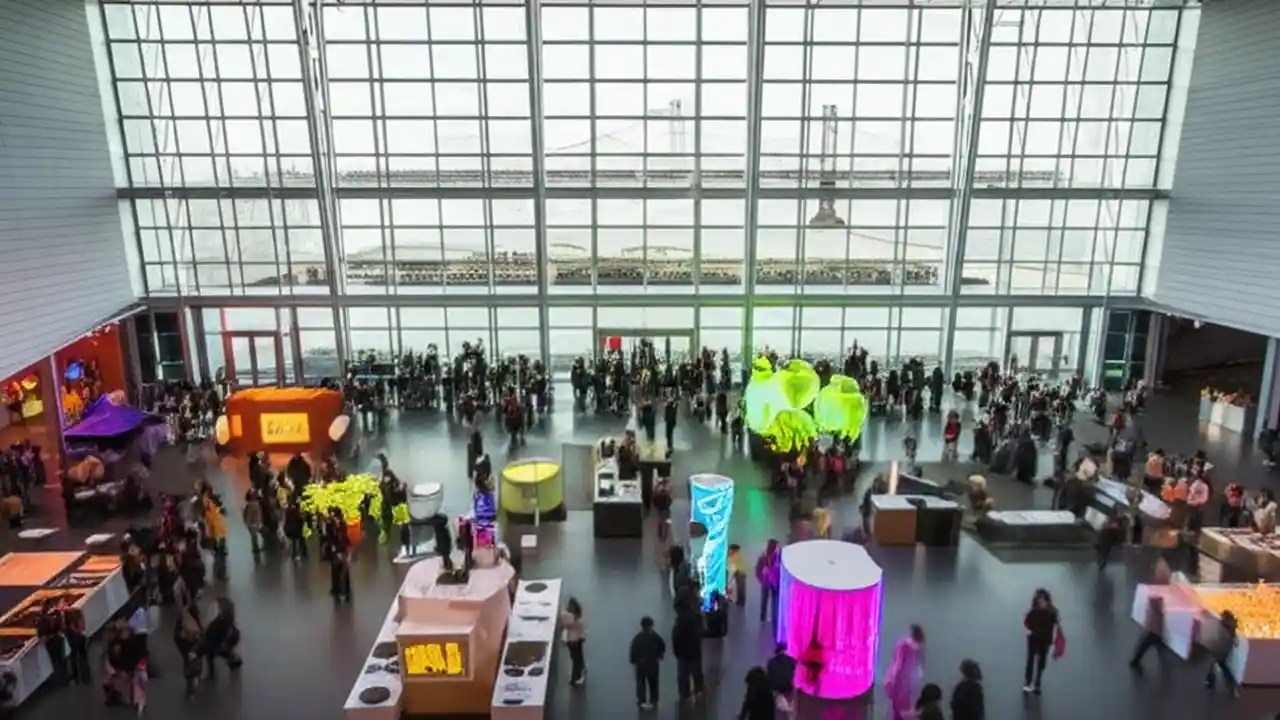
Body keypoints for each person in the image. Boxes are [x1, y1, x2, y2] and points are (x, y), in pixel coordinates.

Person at [1130, 559, 1172, 674]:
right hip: (1155, 622)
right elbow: (1156, 604)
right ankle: (1135, 661)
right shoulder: (1158, 587)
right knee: (1149, 639)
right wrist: (1162, 610)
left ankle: (1160, 657)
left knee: (1155, 639)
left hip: (1155, 621)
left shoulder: (1157, 581)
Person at [884, 625, 926, 720]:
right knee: (905, 709)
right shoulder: (918, 647)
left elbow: (898, 664)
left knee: (897, 710)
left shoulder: (903, 645)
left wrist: (891, 680)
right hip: (909, 683)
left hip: (900, 681)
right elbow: (919, 668)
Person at [1022, 588, 1059, 693]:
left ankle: (1037, 681)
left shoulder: (1052, 613)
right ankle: (1028, 681)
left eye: (1043, 600)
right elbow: (1026, 623)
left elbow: (1057, 624)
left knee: (1041, 661)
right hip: (1033, 639)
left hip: (1045, 640)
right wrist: (1027, 631)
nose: (1041, 602)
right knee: (1030, 660)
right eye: (1039, 600)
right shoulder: (1033, 612)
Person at [629, 616, 665, 710]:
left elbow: (633, 651)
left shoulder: (637, 638)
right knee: (653, 683)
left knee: (642, 683)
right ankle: (653, 700)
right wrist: (660, 655)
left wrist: (634, 661)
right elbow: (662, 646)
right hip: (652, 664)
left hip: (642, 665)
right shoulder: (655, 636)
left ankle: (642, 701)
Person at [203, 597, 243, 679]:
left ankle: (233, 660)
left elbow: (228, 635)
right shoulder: (220, 620)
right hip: (218, 637)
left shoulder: (225, 622)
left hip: (224, 638)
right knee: (211, 651)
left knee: (218, 650)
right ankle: (212, 672)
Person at [672, 604, 705, 701]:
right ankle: (698, 690)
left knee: (683, 676)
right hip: (694, 653)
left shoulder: (678, 626)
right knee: (697, 673)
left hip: (683, 655)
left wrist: (677, 653)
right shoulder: (694, 622)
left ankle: (685, 695)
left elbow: (675, 641)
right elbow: (700, 634)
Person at [1205, 610, 1240, 696]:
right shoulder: (1231, 626)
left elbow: (1221, 638)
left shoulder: (1223, 626)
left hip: (1222, 649)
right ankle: (1211, 682)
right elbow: (1233, 638)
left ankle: (1212, 683)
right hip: (1225, 649)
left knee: (1222, 667)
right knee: (1218, 665)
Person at [174, 607, 204, 696]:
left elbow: (176, 631)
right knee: (194, 656)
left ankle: (189, 678)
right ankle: (194, 675)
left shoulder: (182, 612)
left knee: (187, 657)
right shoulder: (192, 609)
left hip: (181, 638)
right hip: (191, 638)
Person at [561, 597, 587, 687]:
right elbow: (580, 628)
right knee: (578, 659)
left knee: (575, 658)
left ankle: (579, 672)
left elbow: (563, 625)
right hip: (577, 639)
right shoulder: (576, 617)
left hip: (569, 640)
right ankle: (575, 678)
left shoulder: (565, 615)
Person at [756, 539, 781, 623]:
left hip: (766, 582)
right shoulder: (778, 557)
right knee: (775, 600)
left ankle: (762, 617)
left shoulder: (763, 556)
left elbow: (758, 570)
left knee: (764, 599)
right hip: (775, 582)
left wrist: (761, 579)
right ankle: (774, 617)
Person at [243, 489, 263, 556]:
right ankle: (255, 548)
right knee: (254, 536)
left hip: (252, 523)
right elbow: (255, 515)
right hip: (253, 523)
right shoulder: (254, 505)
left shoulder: (249, 505)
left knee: (254, 536)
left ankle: (255, 548)